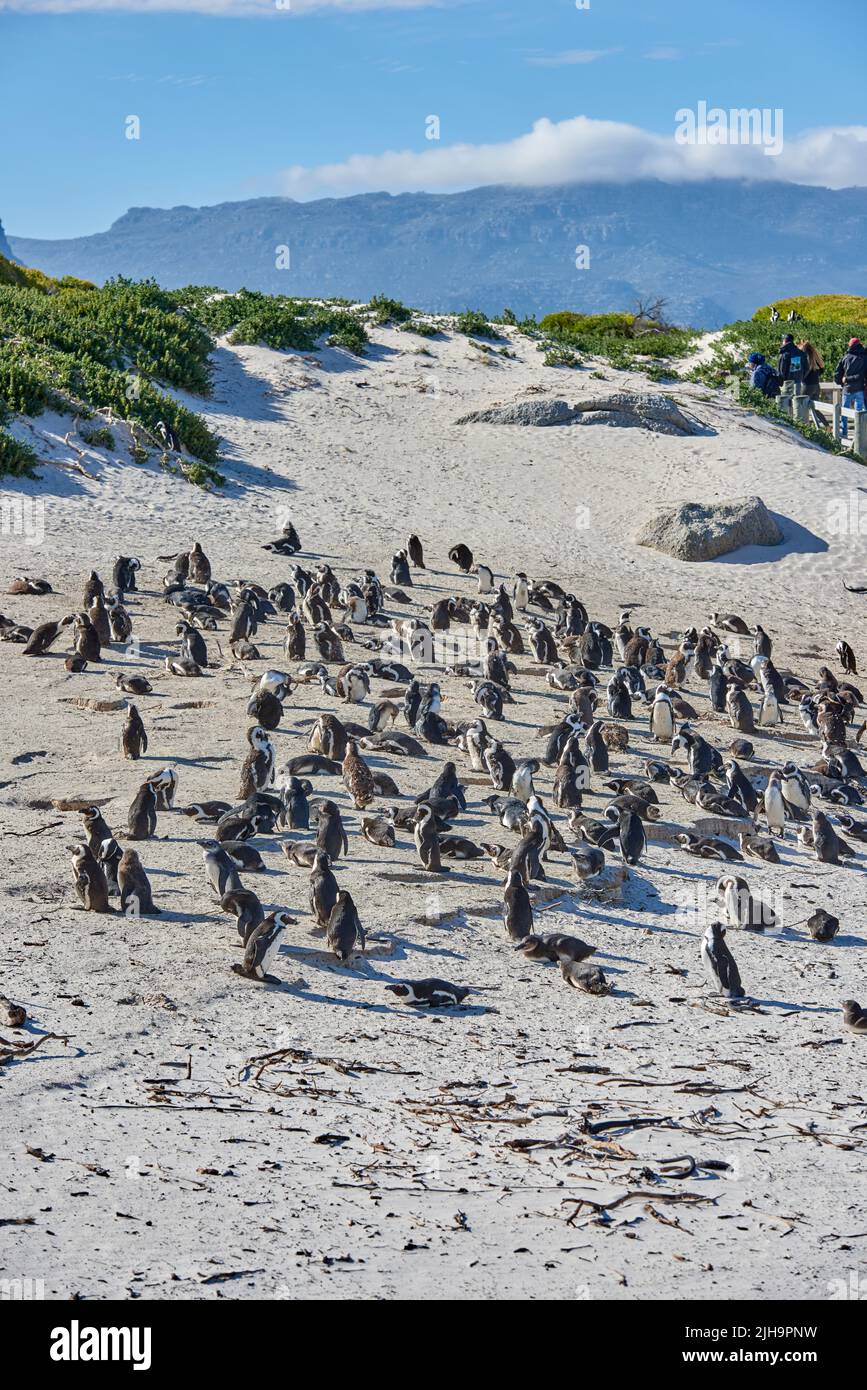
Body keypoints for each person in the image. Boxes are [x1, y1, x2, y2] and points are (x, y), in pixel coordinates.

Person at [834, 337, 867, 440]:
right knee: (859, 413)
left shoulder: (845, 357)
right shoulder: (864, 358)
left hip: (847, 389)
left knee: (844, 413)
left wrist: (843, 381)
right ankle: (859, 436)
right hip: (860, 389)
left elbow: (837, 373)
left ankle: (844, 434)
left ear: (850, 345)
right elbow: (863, 375)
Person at [797, 340, 825, 424]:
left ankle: (804, 426)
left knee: (801, 405)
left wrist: (801, 378)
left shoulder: (804, 357)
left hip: (807, 386)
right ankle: (827, 426)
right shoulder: (815, 357)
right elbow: (822, 370)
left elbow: (802, 372)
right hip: (816, 386)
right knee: (815, 408)